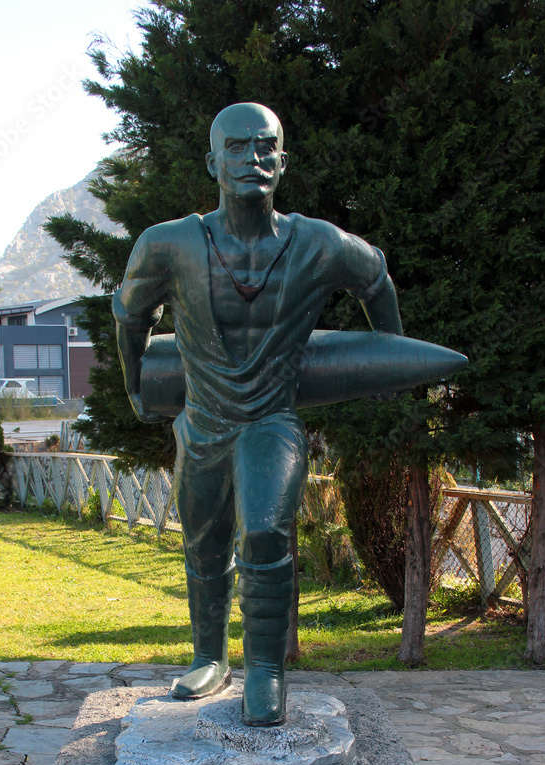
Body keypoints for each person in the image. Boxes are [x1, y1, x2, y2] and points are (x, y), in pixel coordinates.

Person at [113, 102, 403, 727]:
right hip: (203, 422)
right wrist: (135, 384)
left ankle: (266, 671)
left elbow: (376, 279)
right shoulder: (167, 244)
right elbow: (131, 317)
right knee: (203, 542)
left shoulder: (318, 243)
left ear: (283, 161)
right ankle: (208, 656)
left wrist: (391, 356)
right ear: (212, 160)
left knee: (266, 531)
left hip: (271, 419)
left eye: (266, 147)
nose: (253, 159)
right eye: (238, 147)